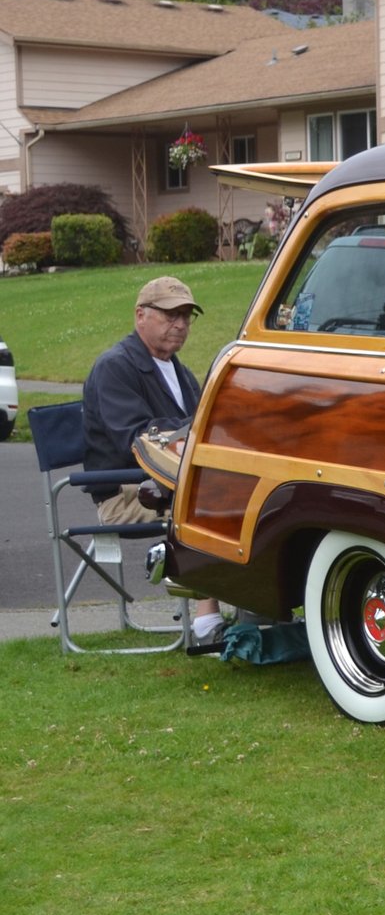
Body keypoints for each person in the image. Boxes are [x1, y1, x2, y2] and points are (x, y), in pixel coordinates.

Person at [81, 276, 227, 649]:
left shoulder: (179, 371)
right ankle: (207, 623)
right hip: (126, 493)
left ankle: (256, 612)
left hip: (169, 485)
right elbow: (139, 439)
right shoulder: (114, 367)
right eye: (170, 315)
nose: (180, 324)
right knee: (208, 510)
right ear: (140, 315)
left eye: (186, 316)